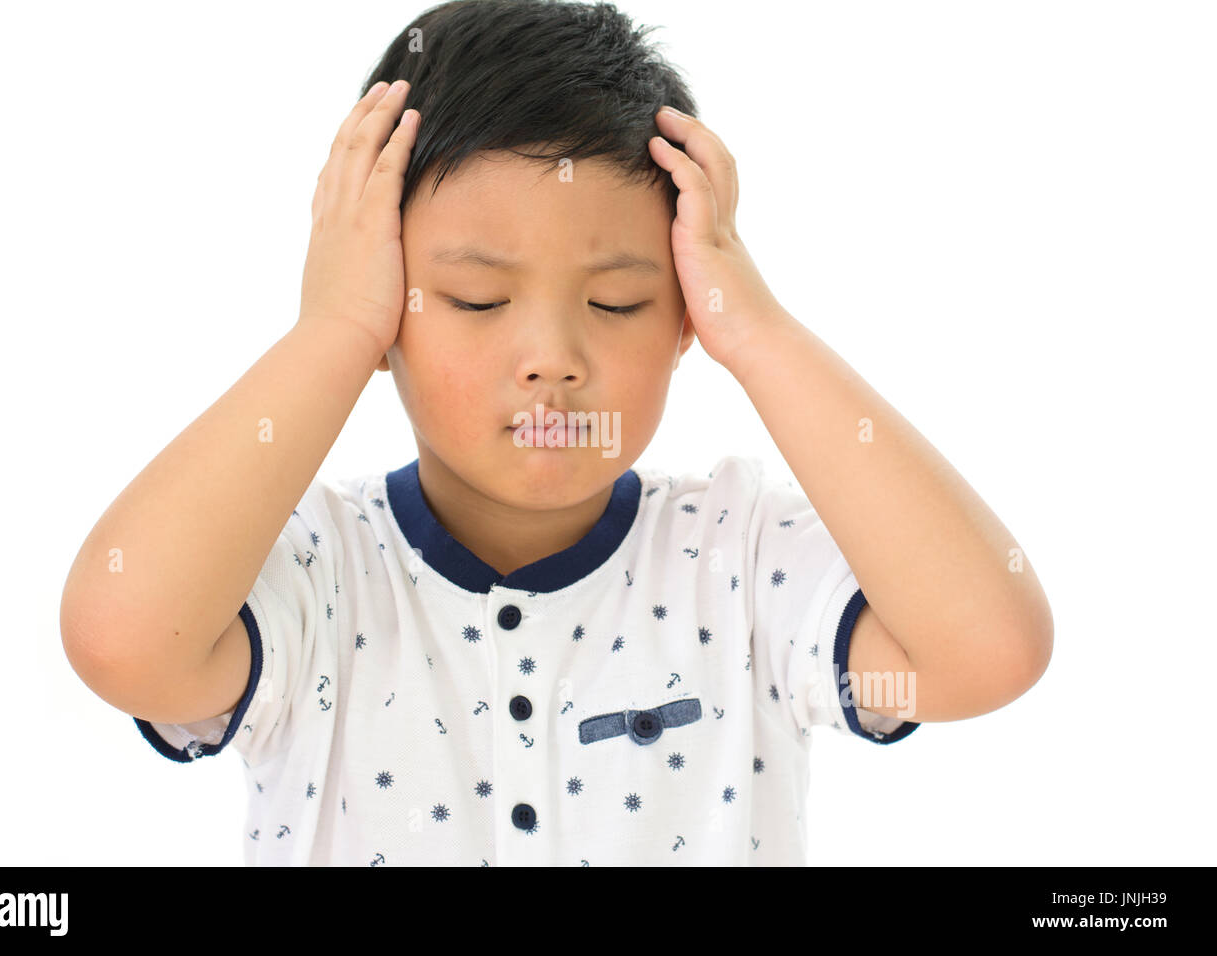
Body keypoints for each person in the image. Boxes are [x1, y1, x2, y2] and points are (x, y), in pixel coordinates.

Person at [59, 0, 1054, 866]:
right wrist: (327, 334)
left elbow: (986, 648)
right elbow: (125, 638)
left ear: (684, 323)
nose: (551, 355)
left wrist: (761, 334)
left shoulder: (742, 560)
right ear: (384, 305)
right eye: (475, 297)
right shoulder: (315, 573)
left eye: (619, 302)